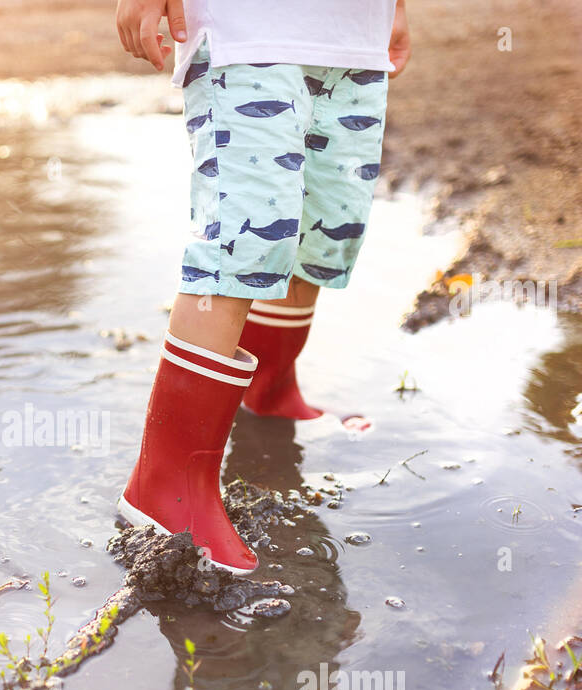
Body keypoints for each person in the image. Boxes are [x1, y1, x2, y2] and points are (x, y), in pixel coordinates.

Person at [114, 0, 411, 574]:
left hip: (354, 36)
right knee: (242, 242)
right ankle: (165, 486)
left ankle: (269, 392)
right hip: (246, 32)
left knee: (325, 226)